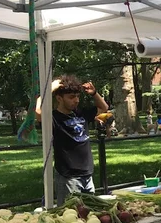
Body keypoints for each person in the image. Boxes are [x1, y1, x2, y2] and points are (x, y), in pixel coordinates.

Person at [35, 75, 108, 205]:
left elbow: (104, 107)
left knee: (90, 213)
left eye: (77, 96)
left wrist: (94, 93)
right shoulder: (55, 118)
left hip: (87, 174)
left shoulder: (81, 113)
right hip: (69, 177)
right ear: (59, 98)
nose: (76, 100)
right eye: (71, 97)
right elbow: (38, 111)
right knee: (71, 216)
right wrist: (52, 87)